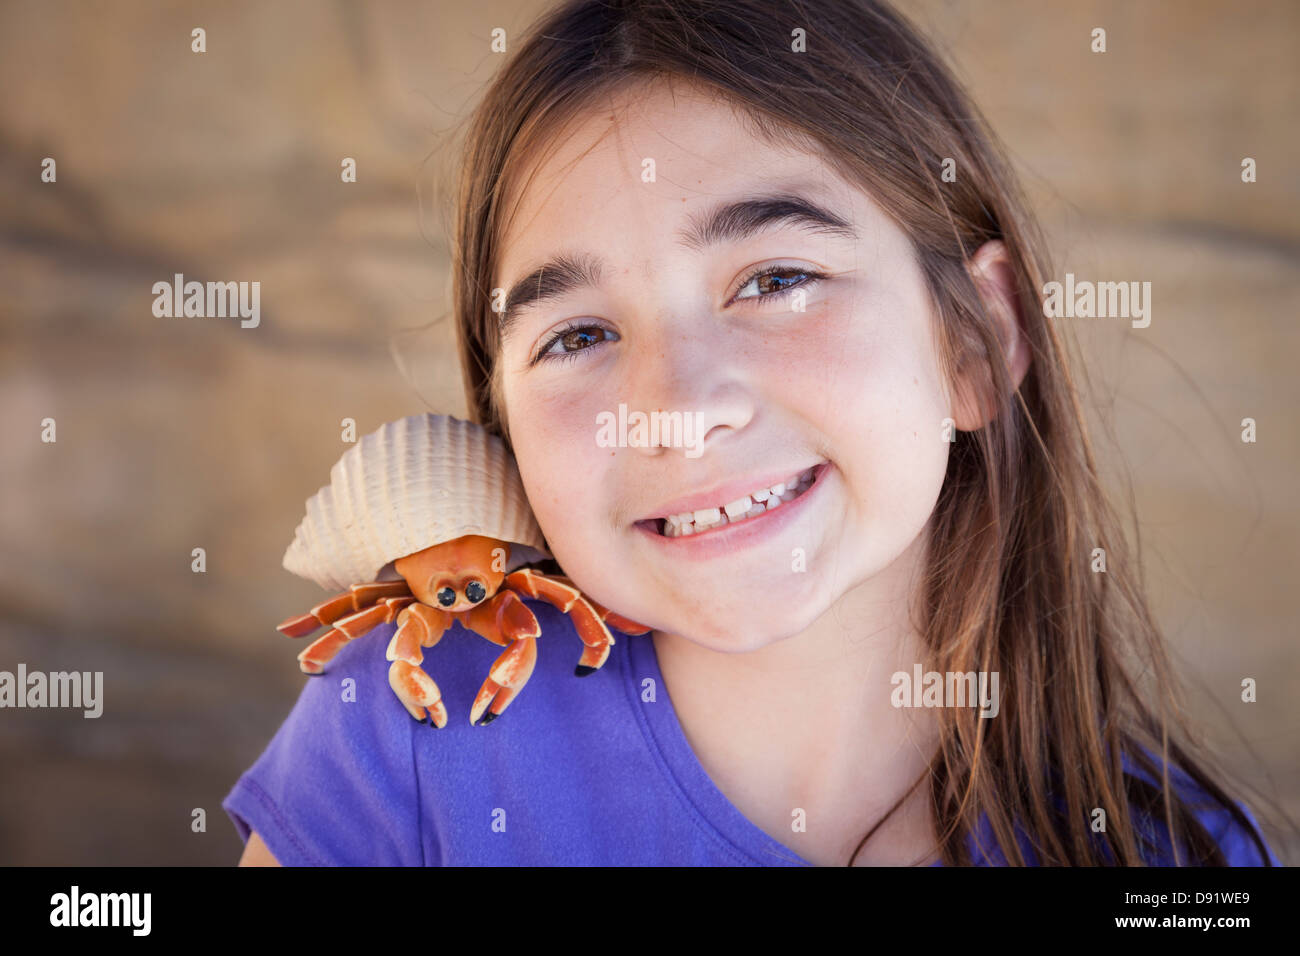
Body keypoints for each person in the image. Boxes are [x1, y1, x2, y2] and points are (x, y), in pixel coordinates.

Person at [224, 0, 1281, 866]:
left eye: (777, 279)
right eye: (578, 332)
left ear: (975, 339)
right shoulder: (404, 737)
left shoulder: (1172, 862)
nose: (679, 408)